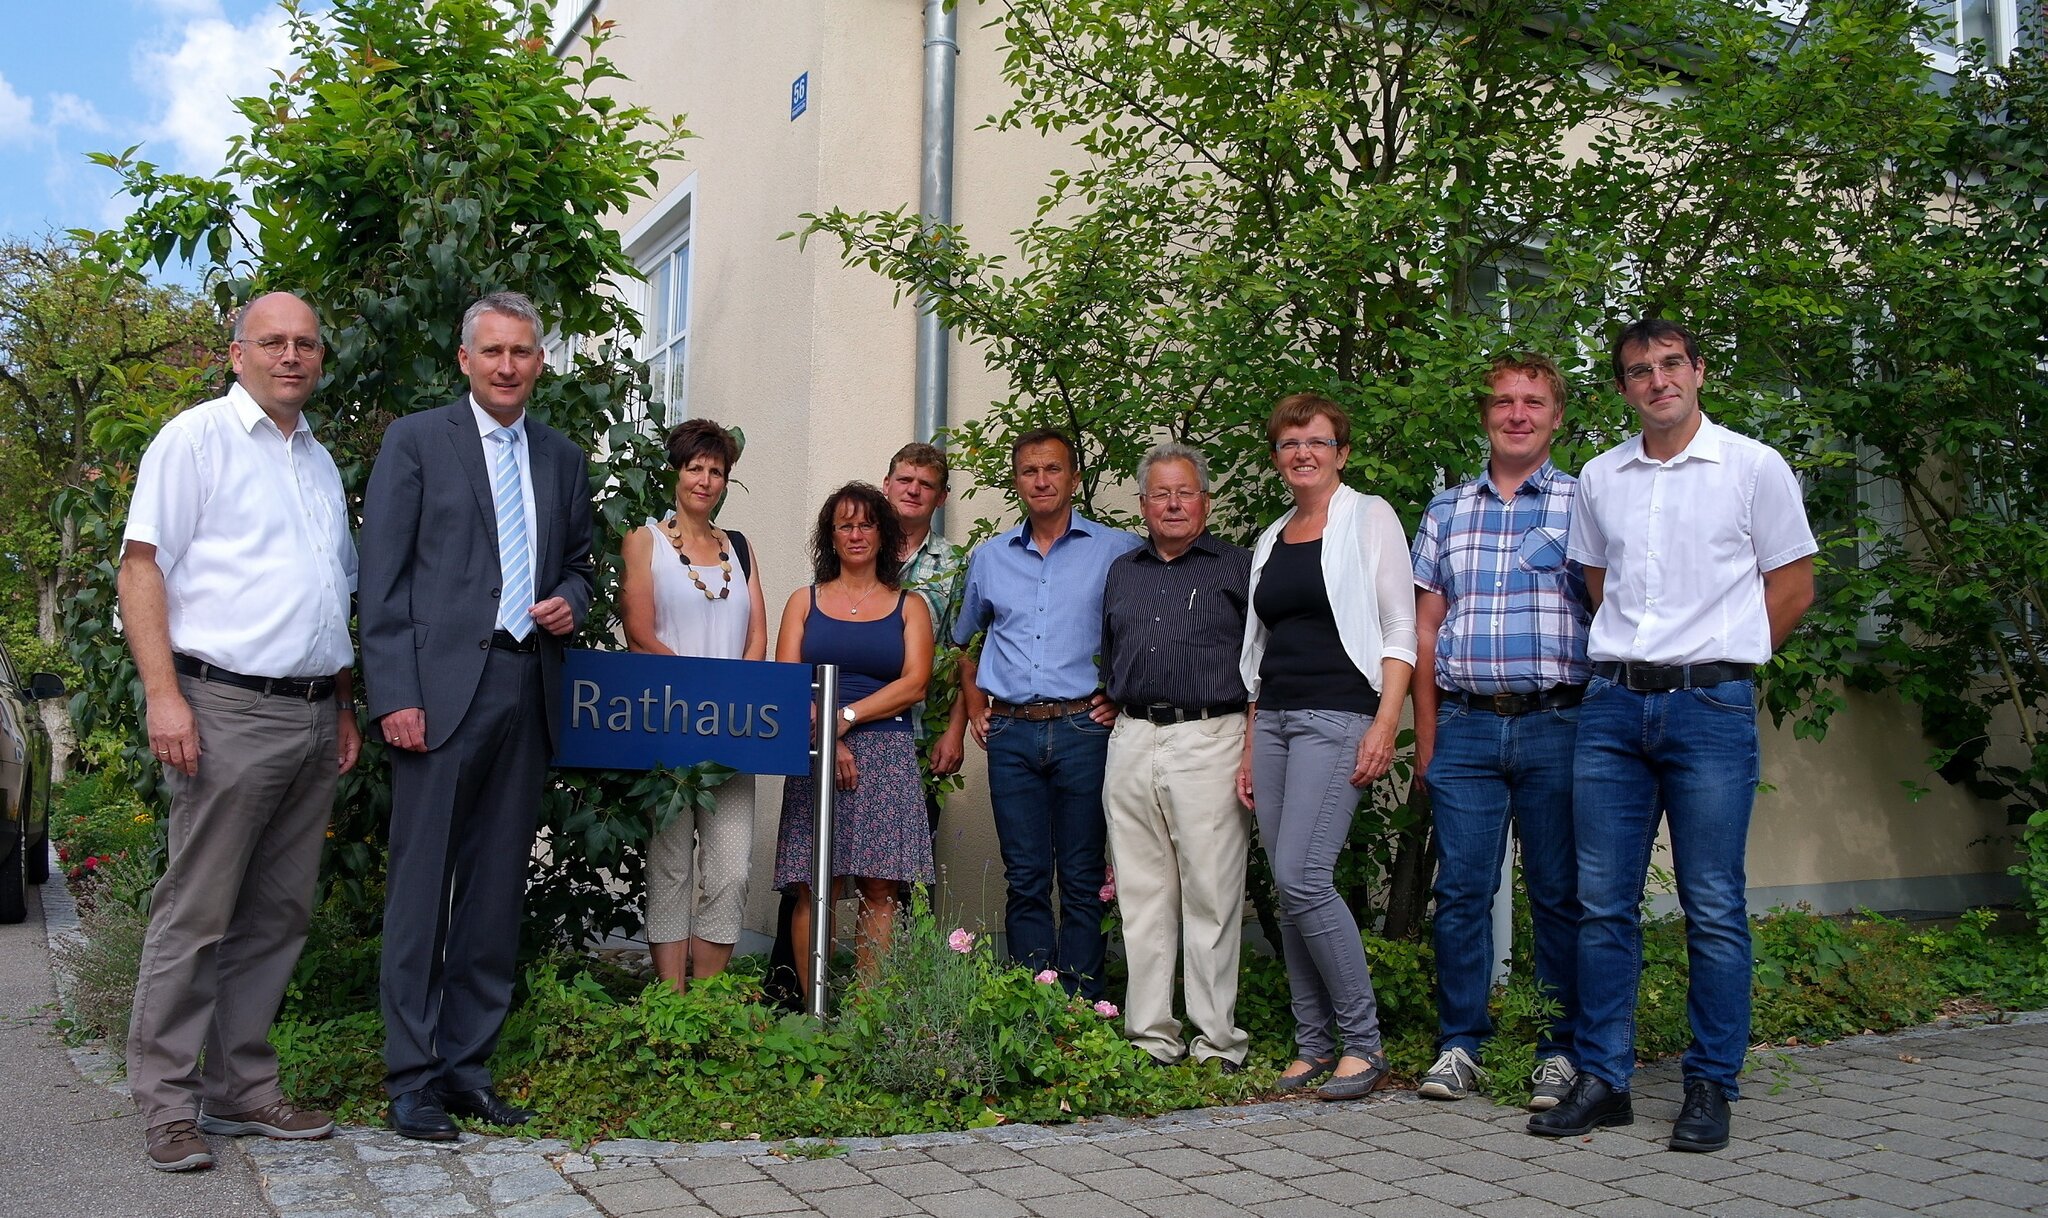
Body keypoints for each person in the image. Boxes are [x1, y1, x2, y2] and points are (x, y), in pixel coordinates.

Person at [1529, 318, 1815, 1153]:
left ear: (1697, 371)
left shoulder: (1753, 468)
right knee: (1602, 905)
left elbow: (1791, 588)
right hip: (1613, 707)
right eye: (1638, 371)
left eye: (1670, 365)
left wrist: (1717, 655)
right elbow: (1596, 582)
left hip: (1709, 709)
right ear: (1622, 389)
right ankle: (1606, 1080)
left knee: (1714, 904)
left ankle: (1710, 1084)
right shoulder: (1601, 477)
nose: (1657, 381)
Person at [119, 291, 357, 1172]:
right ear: (237, 354)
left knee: (278, 915)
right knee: (198, 914)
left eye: (305, 343)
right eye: (273, 342)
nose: (291, 356)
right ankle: (167, 1105)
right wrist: (163, 695)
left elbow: (329, 596)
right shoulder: (195, 441)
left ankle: (242, 1088)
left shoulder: (320, 464)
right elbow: (141, 568)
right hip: (222, 707)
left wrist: (339, 704)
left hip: (307, 715)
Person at [360, 291, 595, 1141]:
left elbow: (578, 566)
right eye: (492, 352)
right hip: (437, 695)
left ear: (540, 361)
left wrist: (569, 599)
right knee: (422, 893)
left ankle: (466, 1070)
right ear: (465, 359)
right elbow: (382, 582)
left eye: (522, 352)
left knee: (495, 892)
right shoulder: (418, 441)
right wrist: (395, 696)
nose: (507, 366)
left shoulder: (564, 459)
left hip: (526, 691)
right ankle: (412, 1078)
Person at [1410, 354, 1590, 1108]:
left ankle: (1561, 1049)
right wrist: (1426, 739)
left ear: (1556, 416)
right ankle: (1462, 1045)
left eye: (1534, 402)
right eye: (1504, 402)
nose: (1518, 414)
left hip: (1560, 724)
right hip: (1467, 729)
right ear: (1485, 415)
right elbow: (1424, 629)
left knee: (1559, 895)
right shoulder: (1447, 510)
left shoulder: (1587, 504)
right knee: (1461, 894)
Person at [1238, 393, 1416, 1101]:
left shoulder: (1369, 517)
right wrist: (1251, 743)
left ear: (1340, 452)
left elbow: (1400, 626)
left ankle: (1364, 1045)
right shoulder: (1274, 535)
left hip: (1339, 716)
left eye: (1316, 441)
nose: (1301, 453)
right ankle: (1313, 1045)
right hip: (1276, 719)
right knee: (1288, 887)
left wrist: (1386, 722)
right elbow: (1260, 648)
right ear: (1278, 457)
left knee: (1306, 874)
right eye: (1288, 443)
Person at [955, 429, 1142, 996]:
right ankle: (1031, 1004)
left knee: (1084, 877)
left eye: (1053, 469)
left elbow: (1143, 632)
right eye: (1029, 471)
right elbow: (965, 641)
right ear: (1017, 481)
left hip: (1086, 728)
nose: (1041, 480)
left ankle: (1085, 1005)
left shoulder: (1117, 550)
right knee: (1026, 877)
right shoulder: (989, 557)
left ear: (1074, 479)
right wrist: (972, 706)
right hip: (1011, 732)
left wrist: (1121, 693)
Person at [1100, 442, 1254, 1071]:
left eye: (1184, 491)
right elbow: (1110, 651)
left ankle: (1217, 1042)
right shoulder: (1123, 570)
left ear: (1206, 501)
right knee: (1141, 894)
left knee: (1212, 892)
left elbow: (1262, 666)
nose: (1172, 503)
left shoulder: (1238, 568)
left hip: (1209, 737)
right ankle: (1150, 1037)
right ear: (1142, 504)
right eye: (1160, 493)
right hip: (1133, 737)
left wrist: (1252, 743)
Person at [772, 482, 938, 991]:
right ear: (831, 535)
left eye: (866, 523)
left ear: (883, 533)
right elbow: (787, 679)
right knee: (812, 885)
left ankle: (869, 1017)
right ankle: (812, 1014)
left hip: (886, 752)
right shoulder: (804, 600)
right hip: (815, 746)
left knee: (880, 886)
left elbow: (914, 683)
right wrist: (831, 736)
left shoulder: (910, 605)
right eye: (845, 524)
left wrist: (847, 715)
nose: (857, 533)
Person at [620, 418, 767, 990]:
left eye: (716, 471)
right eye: (695, 467)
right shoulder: (644, 541)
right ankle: (671, 998)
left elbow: (757, 631)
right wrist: (697, 697)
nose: (705, 480)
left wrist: (737, 696)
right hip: (670, 725)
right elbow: (640, 632)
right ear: (676, 472)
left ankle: (704, 1000)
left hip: (732, 731)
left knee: (730, 870)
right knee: (671, 866)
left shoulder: (741, 549)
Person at [884, 443, 969, 829]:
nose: (913, 490)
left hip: (920, 736)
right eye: (904, 479)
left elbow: (961, 653)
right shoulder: (853, 550)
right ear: (886, 484)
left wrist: (954, 731)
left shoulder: (955, 564)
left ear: (942, 497)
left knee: (907, 876)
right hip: (847, 726)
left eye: (926, 484)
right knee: (828, 863)